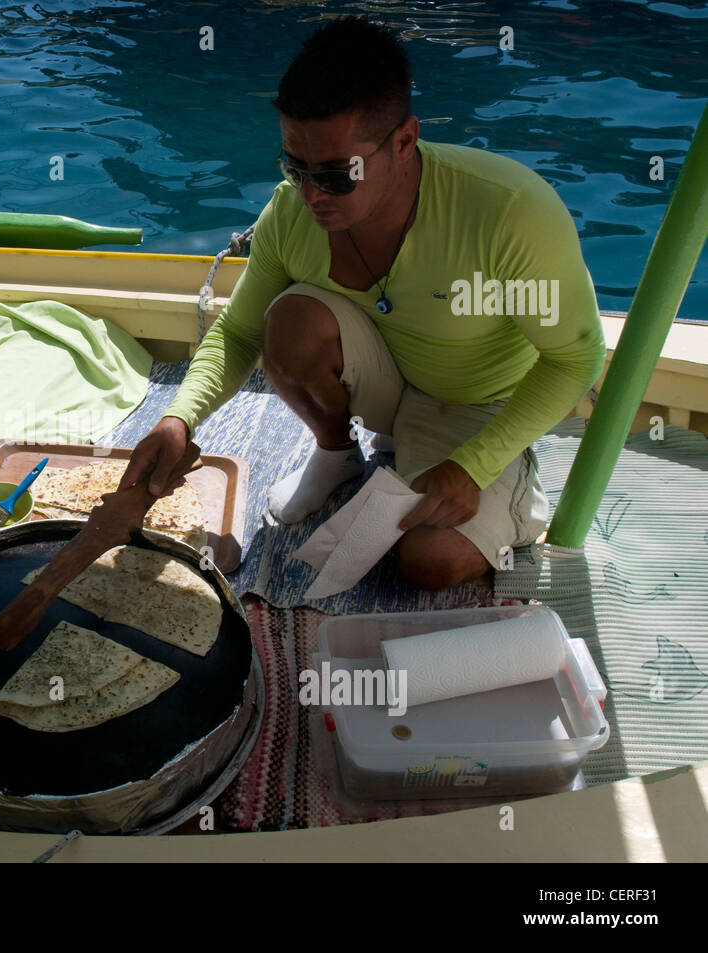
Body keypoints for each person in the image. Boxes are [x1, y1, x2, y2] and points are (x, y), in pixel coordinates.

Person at [121, 16, 606, 591]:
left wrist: (474, 464)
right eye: (294, 167)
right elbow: (238, 333)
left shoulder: (509, 212)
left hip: (482, 401)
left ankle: (513, 484)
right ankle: (337, 453)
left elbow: (576, 358)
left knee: (432, 564)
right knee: (289, 320)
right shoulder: (290, 212)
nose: (310, 195)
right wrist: (178, 419)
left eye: (336, 175)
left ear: (405, 141)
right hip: (389, 384)